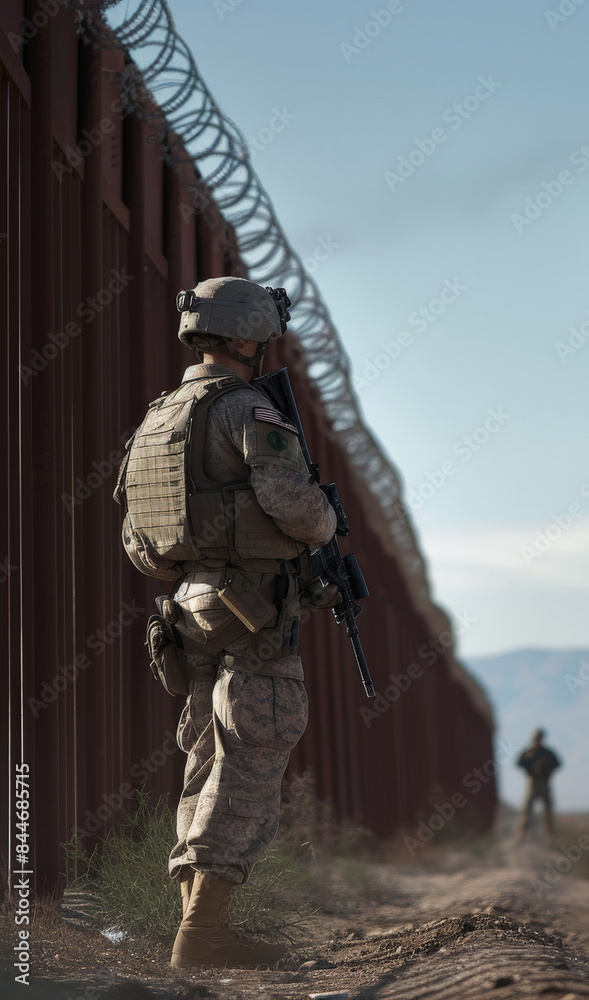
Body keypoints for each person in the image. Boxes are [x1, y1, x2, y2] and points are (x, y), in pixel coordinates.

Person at [115, 277, 338, 968]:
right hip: (252, 606)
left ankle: (196, 918)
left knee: (206, 754)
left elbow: (136, 537)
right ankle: (203, 932)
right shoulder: (246, 409)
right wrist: (324, 522)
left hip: (188, 603)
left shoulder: (157, 418)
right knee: (252, 752)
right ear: (245, 337)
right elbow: (294, 507)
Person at [516, 728, 561, 844]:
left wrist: (547, 771)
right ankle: (521, 835)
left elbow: (557, 764)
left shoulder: (547, 753)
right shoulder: (529, 752)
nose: (538, 740)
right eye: (536, 738)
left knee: (548, 811)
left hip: (544, 784)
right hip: (532, 784)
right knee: (527, 810)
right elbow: (519, 762)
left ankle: (550, 836)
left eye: (539, 738)